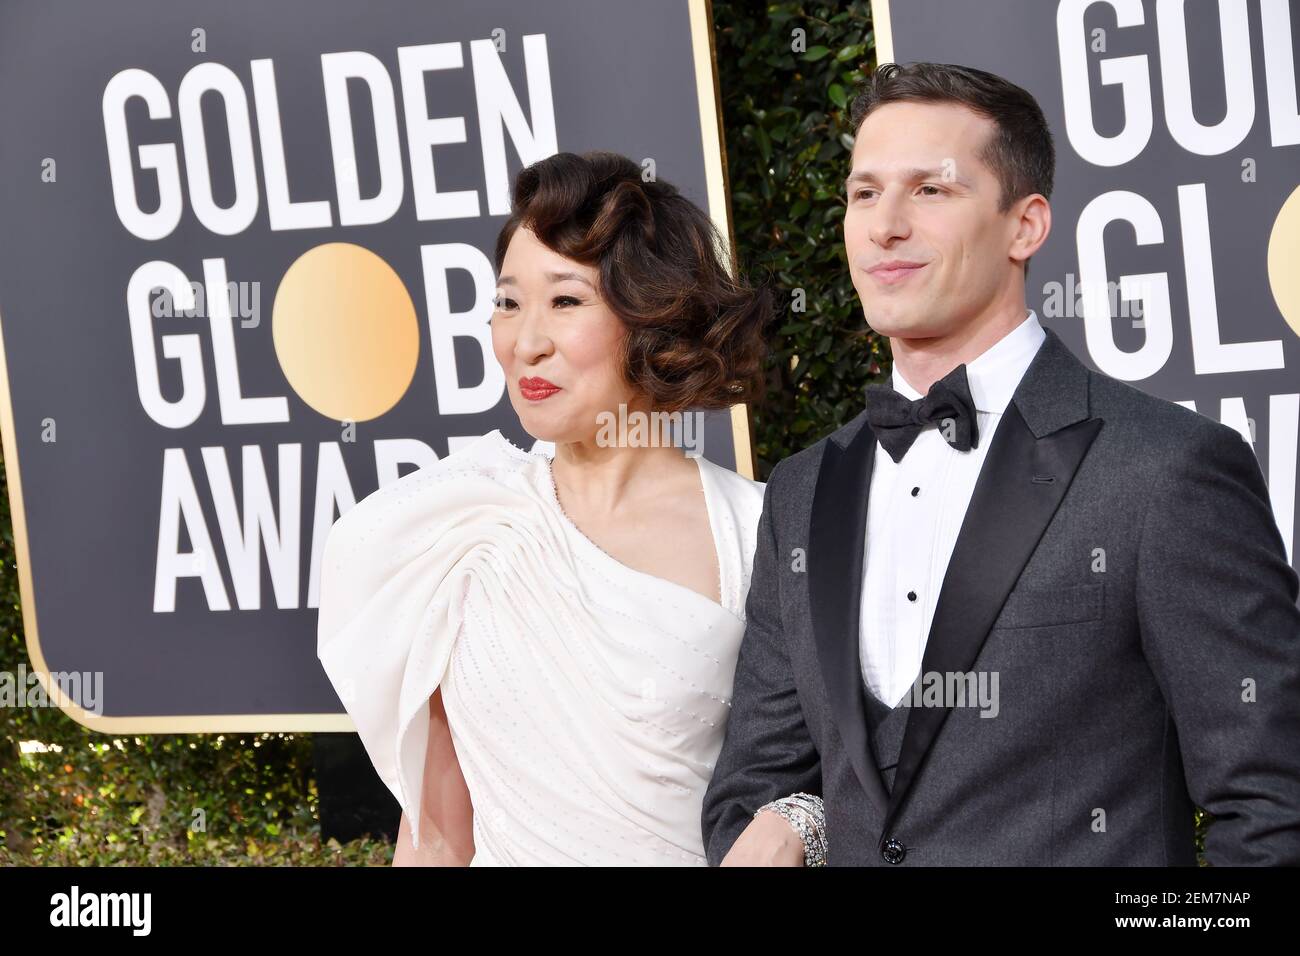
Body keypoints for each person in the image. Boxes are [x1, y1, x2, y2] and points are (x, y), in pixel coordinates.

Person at [702, 62, 1300, 866]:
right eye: (864, 192)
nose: (884, 226)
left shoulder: (1163, 470)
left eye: (931, 191)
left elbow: (1272, 801)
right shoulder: (805, 491)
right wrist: (804, 818)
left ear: (1025, 226)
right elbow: (757, 787)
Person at [316, 151, 770, 865]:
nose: (525, 343)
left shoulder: (757, 532)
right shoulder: (467, 525)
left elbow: (815, 782)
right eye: (506, 302)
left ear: (652, 314)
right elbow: (436, 834)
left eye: (565, 301)